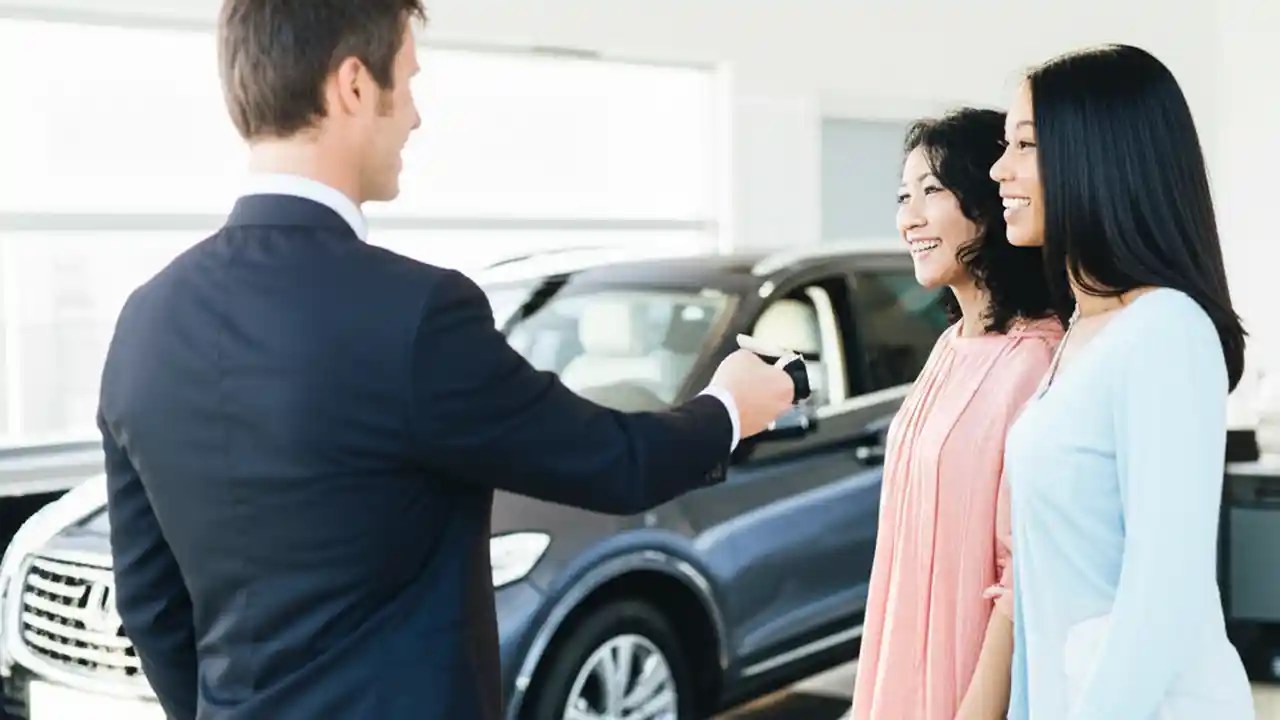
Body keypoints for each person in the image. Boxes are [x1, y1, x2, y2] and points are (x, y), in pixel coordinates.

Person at [96, 2, 796, 719]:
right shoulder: (416, 313)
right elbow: (615, 463)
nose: (416, 117)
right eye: (409, 80)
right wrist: (732, 408)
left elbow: (151, 607)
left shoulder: (144, 321)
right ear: (354, 87)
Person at [992, 44, 1255, 719]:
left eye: (1025, 145)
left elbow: (1162, 592)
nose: (1000, 170)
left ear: (1095, 158)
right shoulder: (1083, 330)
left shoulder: (1165, 330)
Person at [849, 108, 1063, 720]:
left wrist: (976, 709)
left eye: (931, 191)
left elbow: (1025, 567)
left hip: (965, 681)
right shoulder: (950, 347)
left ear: (987, 201)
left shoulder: (1039, 360)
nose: (908, 218)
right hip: (900, 664)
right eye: (903, 196)